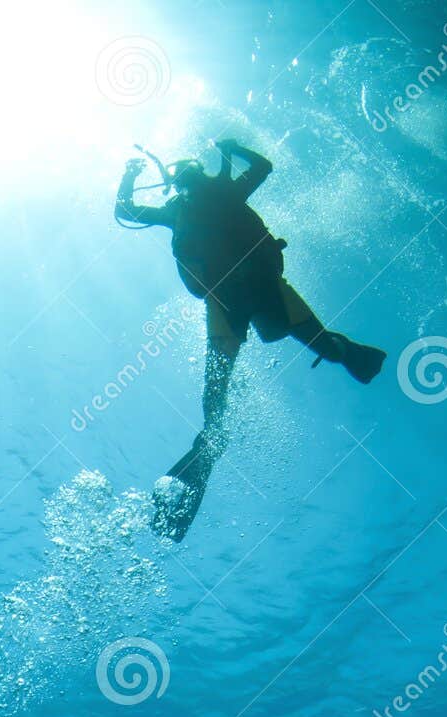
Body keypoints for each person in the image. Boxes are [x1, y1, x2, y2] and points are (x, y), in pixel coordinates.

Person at [115, 140, 387, 541]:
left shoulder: (215, 194)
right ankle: (208, 448)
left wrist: (229, 146)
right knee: (217, 395)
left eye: (188, 171)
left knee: (325, 348)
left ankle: (347, 354)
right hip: (230, 298)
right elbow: (127, 211)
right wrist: (131, 175)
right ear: (176, 182)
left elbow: (263, 165)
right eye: (180, 176)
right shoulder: (183, 208)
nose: (186, 180)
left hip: (256, 290)